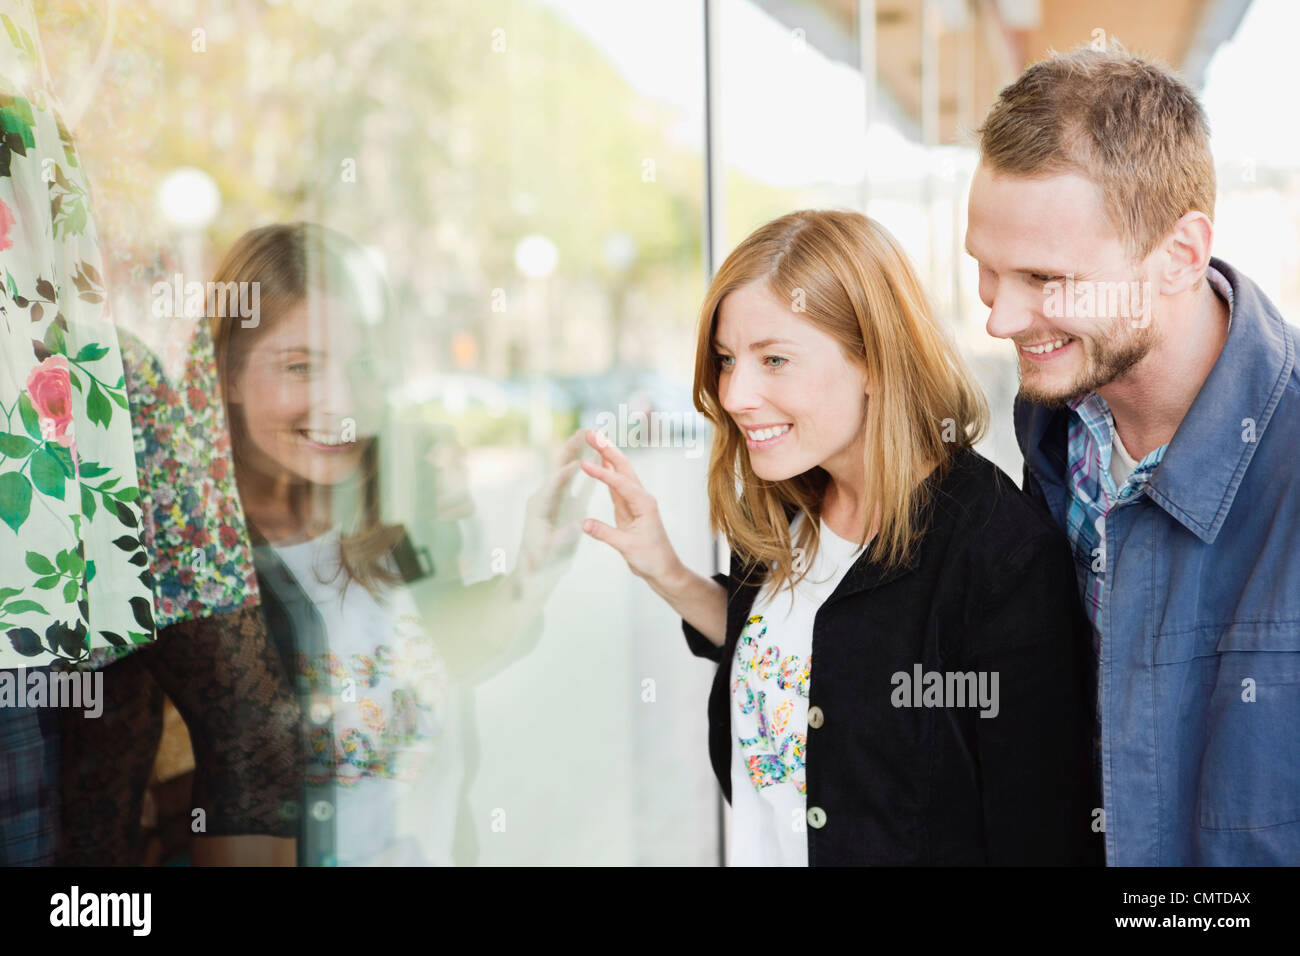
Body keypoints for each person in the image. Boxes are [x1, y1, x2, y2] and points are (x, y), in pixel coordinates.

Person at [578, 209, 1100, 865]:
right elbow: (786, 658)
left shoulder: (999, 555)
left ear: (874, 362)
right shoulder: (783, 504)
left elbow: (1039, 834)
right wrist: (668, 574)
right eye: (725, 360)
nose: (735, 394)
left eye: (774, 359)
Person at [966, 45, 1300, 865]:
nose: (1001, 319)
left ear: (1181, 255)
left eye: (1046, 278)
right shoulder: (1052, 429)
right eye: (985, 270)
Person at [210, 222, 585, 865]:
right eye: (300, 366)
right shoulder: (197, 565)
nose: (343, 402)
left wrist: (531, 569)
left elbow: (451, 651)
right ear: (230, 373)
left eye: (362, 366)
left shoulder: (400, 503)